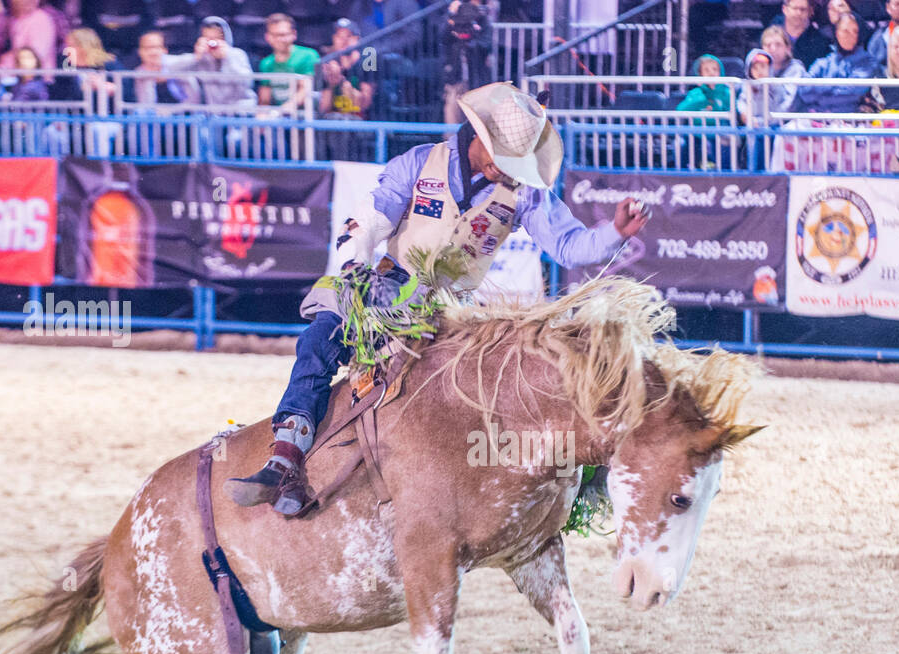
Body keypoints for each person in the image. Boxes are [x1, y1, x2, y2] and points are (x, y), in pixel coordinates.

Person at [225, 83, 651, 515]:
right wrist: (358, 256)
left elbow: (568, 247)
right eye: (507, 159)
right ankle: (286, 457)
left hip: (456, 315)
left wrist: (614, 231)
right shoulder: (418, 163)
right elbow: (377, 216)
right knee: (319, 340)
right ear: (480, 141)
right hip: (388, 292)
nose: (512, 170)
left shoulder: (526, 194)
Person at [793, 12, 879, 115]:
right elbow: (804, 91)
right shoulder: (823, 62)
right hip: (818, 121)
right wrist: (834, 86)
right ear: (837, 33)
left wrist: (821, 95)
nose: (850, 35)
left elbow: (853, 93)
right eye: (845, 31)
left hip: (851, 121)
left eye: (855, 31)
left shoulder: (868, 62)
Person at [317, 17, 375, 158]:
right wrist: (331, 85)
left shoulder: (369, 58)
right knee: (330, 121)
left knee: (342, 122)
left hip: (359, 118)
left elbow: (364, 104)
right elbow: (324, 107)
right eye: (339, 36)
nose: (343, 40)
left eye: (348, 36)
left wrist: (343, 83)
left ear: (357, 39)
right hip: (332, 118)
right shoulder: (327, 61)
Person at [257, 12, 319, 110]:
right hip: (277, 118)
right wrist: (262, 115)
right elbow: (264, 99)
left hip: (303, 116)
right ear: (267, 37)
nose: (279, 39)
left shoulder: (308, 55)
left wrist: (283, 110)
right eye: (274, 35)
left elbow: (305, 89)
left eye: (283, 34)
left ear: (294, 34)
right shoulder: (266, 63)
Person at [443, 0, 490, 123]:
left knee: (477, 122)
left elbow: (486, 45)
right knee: (452, 121)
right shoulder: (453, 19)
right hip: (455, 79)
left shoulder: (482, 19)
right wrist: (451, 16)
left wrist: (472, 38)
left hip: (477, 80)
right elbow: (443, 38)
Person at [124, 29, 193, 105]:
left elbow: (194, 58)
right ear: (140, 51)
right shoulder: (138, 73)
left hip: (184, 112)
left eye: (157, 47)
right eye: (148, 48)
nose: (153, 52)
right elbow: (144, 104)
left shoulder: (175, 63)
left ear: (165, 50)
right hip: (154, 114)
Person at [0, 0, 56, 72]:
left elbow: (35, 55)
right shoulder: (15, 20)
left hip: (37, 77)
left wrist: (6, 63)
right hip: (16, 74)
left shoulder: (40, 19)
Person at [762, 24, 806, 117]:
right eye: (768, 45)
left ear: (788, 48)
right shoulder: (758, 68)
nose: (773, 49)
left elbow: (788, 106)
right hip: (763, 122)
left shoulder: (796, 69)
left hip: (791, 123)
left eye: (778, 45)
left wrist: (765, 121)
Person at [773, 0, 831, 69]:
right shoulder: (771, 33)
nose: (798, 13)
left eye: (803, 9)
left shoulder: (821, 42)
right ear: (784, 9)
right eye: (794, 8)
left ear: (811, 11)